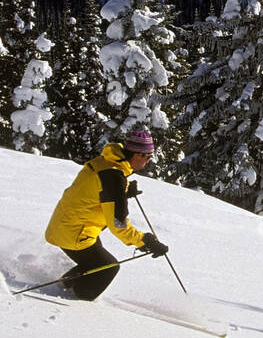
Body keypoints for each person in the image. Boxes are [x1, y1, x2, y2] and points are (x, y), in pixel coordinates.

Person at [44, 127, 169, 300]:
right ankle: (74, 300)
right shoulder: (113, 177)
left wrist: (123, 192)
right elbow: (118, 224)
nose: (147, 161)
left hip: (66, 225)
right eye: (148, 157)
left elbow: (94, 191)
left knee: (96, 262)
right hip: (75, 233)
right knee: (108, 267)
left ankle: (63, 285)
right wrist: (145, 241)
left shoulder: (107, 162)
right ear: (137, 155)